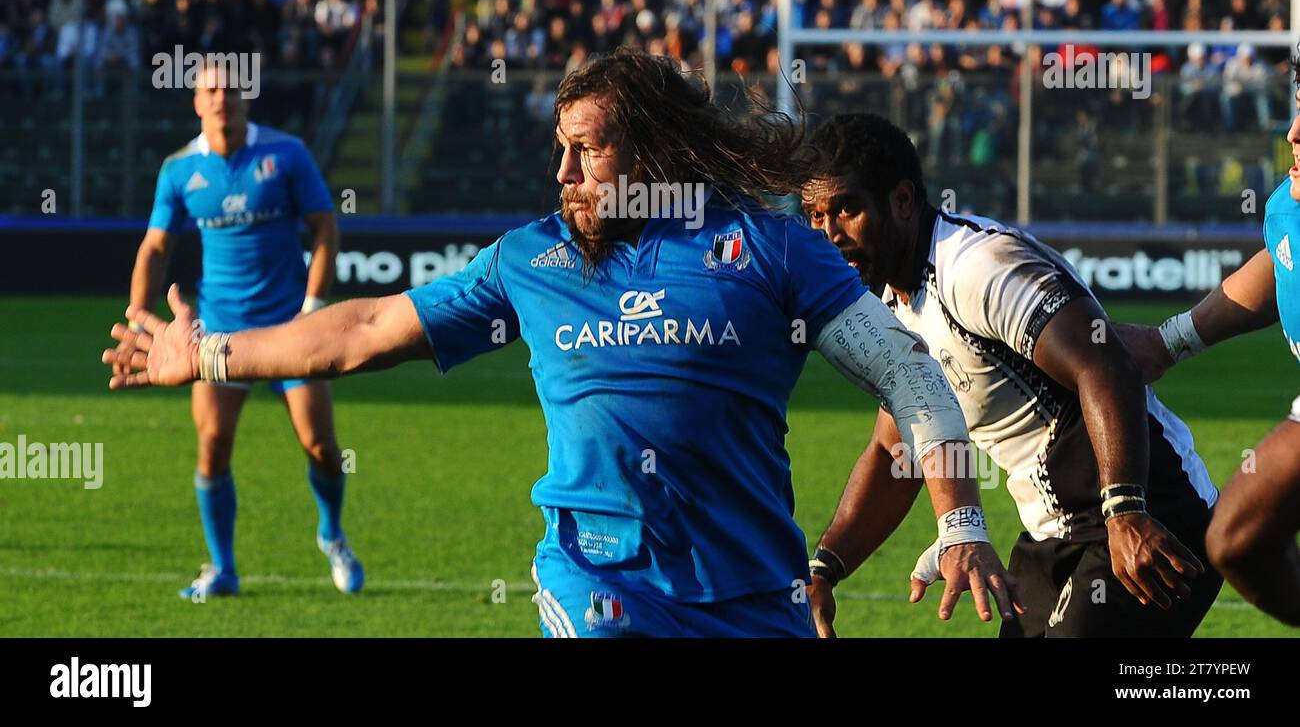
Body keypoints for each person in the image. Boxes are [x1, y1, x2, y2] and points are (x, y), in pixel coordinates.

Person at [105, 48, 1018, 637]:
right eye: (560, 148)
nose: (563, 172)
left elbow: (911, 375)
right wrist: (209, 352)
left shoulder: (770, 250)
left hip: (752, 601)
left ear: (654, 152)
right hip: (598, 590)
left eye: (587, 150)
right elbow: (364, 330)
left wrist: (962, 521)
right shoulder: (530, 259)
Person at [799, 113, 1221, 637]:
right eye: (814, 216)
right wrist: (824, 570)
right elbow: (895, 451)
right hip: (1055, 538)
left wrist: (1126, 511)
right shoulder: (894, 305)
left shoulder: (975, 265)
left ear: (902, 200)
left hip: (1150, 516)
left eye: (846, 209)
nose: (828, 234)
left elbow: (1104, 362)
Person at [117, 63, 362, 599]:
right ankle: (223, 568)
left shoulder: (287, 154)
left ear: (245, 98)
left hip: (290, 330)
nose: (221, 98)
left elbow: (326, 228)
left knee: (320, 445)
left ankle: (332, 534)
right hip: (219, 333)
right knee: (213, 444)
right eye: (210, 90)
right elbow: (155, 247)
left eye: (229, 89)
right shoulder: (179, 170)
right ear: (196, 102)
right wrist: (138, 316)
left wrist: (312, 308)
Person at [1116, 83, 1300, 626]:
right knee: (1237, 537)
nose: (1293, 133)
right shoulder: (1289, 206)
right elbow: (1280, 264)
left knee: (1237, 534)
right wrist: (1169, 341)